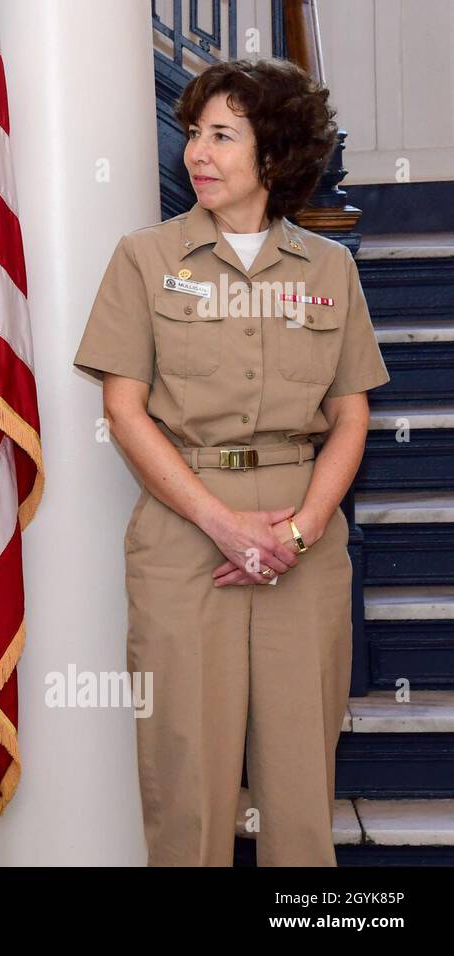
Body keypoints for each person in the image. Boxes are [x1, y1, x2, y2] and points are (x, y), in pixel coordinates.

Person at [74, 59, 390, 866]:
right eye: (193, 133)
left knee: (300, 784)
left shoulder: (330, 269)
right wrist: (223, 525)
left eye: (221, 135)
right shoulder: (144, 258)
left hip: (302, 546)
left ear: (274, 154)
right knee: (188, 781)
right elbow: (124, 412)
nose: (197, 153)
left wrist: (299, 530)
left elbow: (351, 417)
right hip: (186, 536)